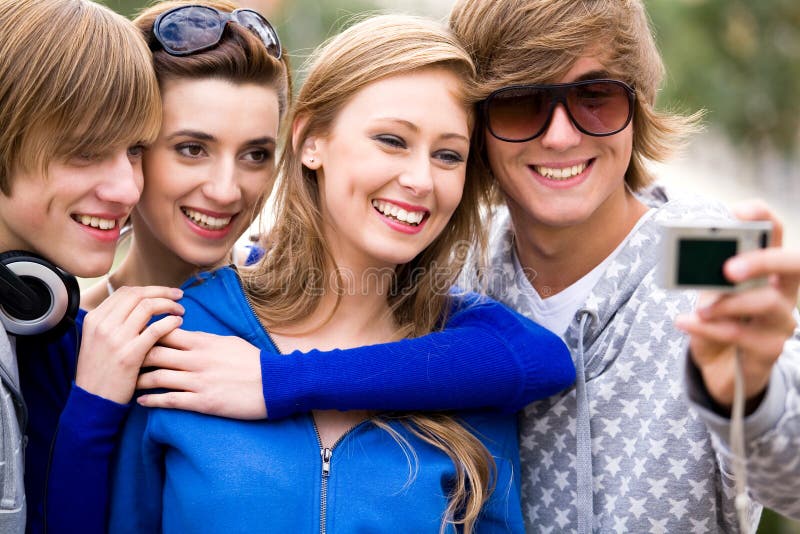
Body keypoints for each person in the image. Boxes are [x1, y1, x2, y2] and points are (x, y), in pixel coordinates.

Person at [107, 12, 559, 533]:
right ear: (310, 141)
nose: (420, 179)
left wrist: (279, 382)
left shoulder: (468, 367)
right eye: (391, 140)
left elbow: (546, 360)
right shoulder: (180, 335)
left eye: (448, 155)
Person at [445, 0, 800, 531]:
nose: (560, 136)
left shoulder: (710, 260)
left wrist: (751, 398)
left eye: (596, 98)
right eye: (520, 102)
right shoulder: (449, 275)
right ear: (476, 125)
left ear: (638, 106)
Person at [0, 1, 174, 533]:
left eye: (135, 149)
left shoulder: (46, 329)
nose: (127, 189)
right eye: (84, 151)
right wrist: (93, 409)